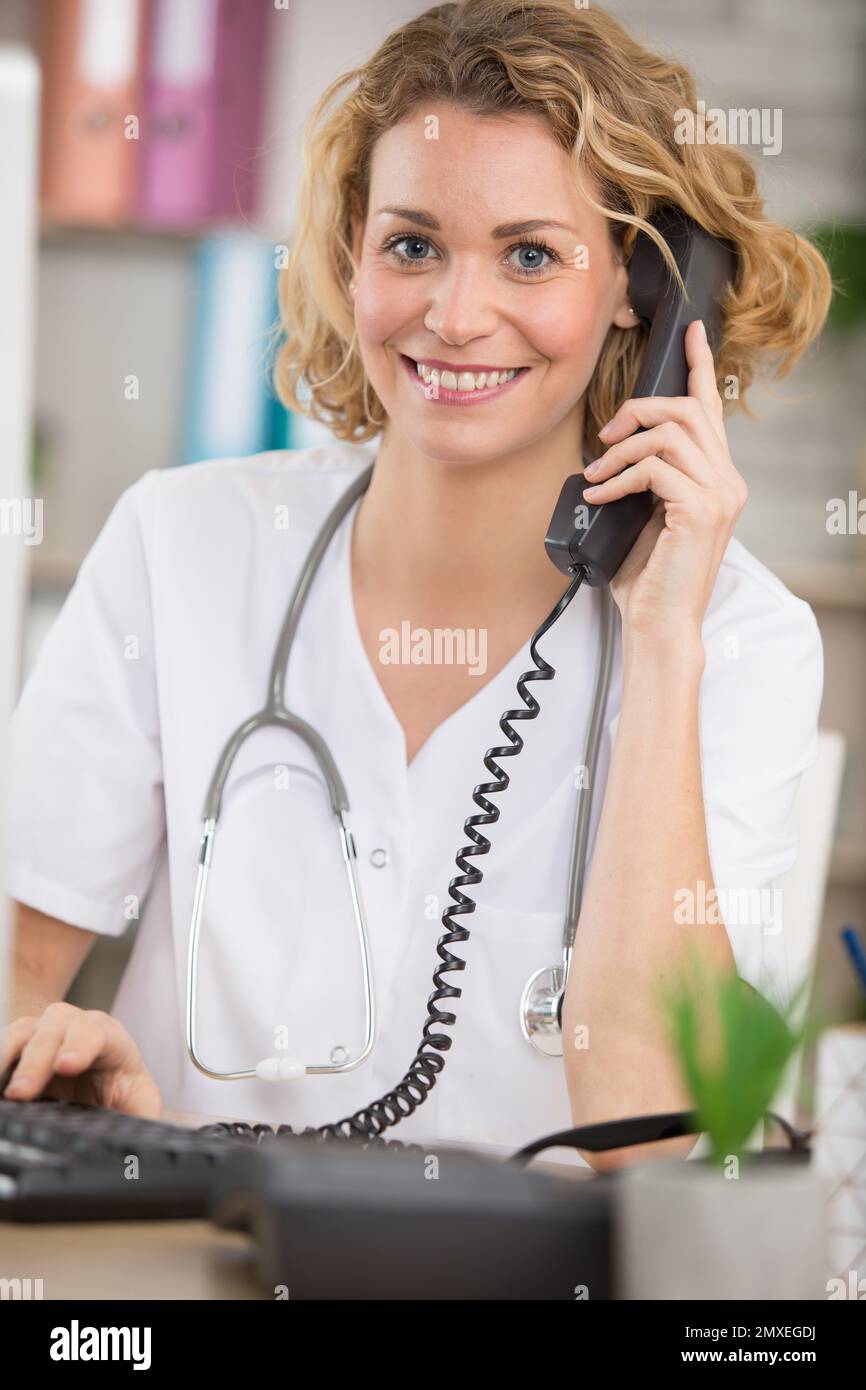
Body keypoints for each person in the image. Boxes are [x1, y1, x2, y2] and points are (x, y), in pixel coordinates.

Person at [2, 0, 830, 1170]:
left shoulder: (736, 640)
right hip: (183, 1264)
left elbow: (651, 1142)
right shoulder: (177, 546)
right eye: (411, 244)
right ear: (352, 247)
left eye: (530, 254)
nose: (452, 315)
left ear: (646, 290)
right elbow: (11, 992)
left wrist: (655, 638)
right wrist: (76, 1093)